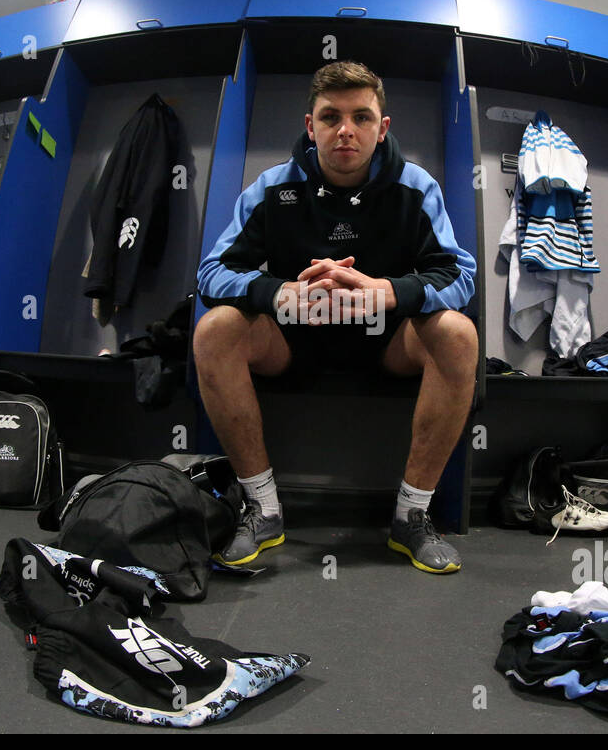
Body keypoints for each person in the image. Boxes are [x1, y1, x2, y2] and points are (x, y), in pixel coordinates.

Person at [194, 61, 478, 574]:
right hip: (291, 344)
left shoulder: (416, 187)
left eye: (361, 117)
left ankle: (411, 518)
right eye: (330, 117)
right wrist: (276, 292)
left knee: (458, 333)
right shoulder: (271, 188)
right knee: (215, 329)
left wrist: (387, 291)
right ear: (311, 126)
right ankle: (263, 508)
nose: (345, 130)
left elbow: (460, 277)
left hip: (384, 344)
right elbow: (212, 272)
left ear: (382, 127)